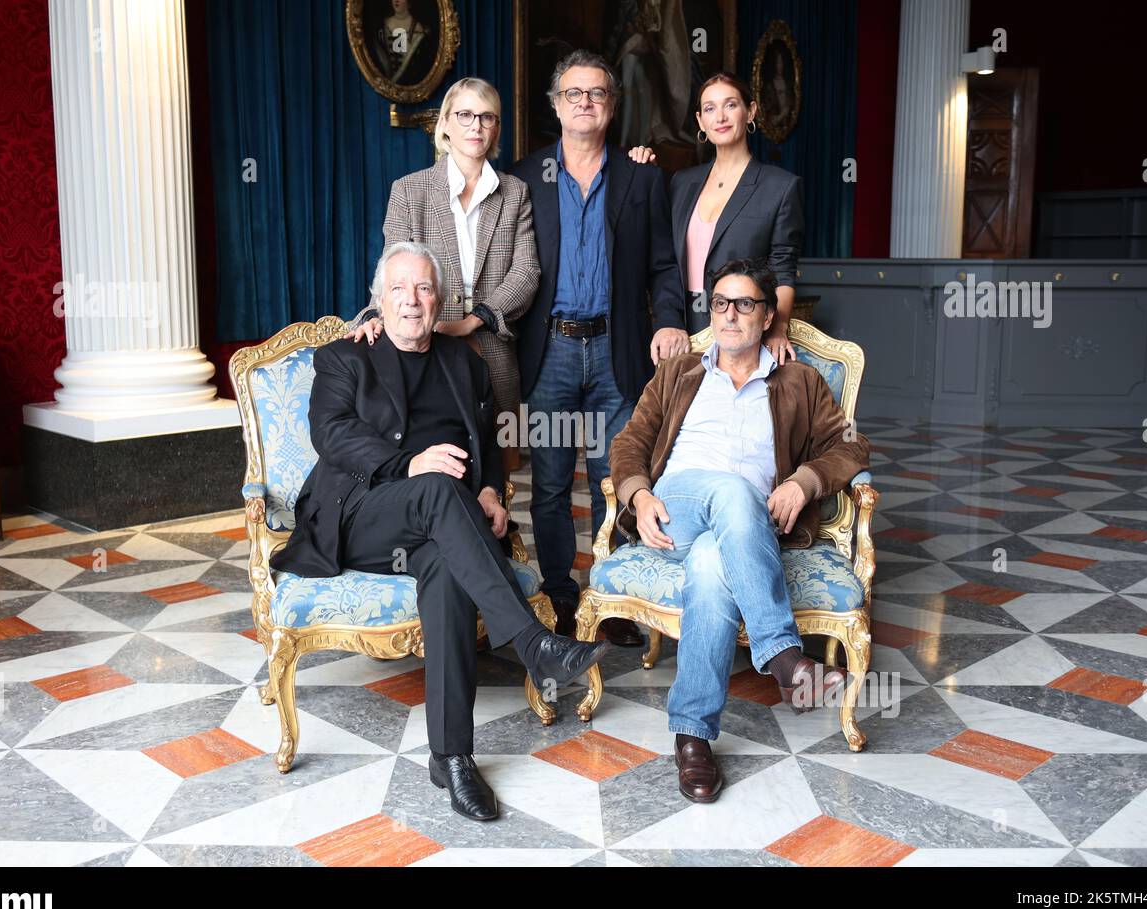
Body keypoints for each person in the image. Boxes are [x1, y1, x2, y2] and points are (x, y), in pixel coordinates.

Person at [272, 241, 610, 822]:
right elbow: (332, 435)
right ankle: (532, 644)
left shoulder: (464, 362)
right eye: (399, 289)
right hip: (359, 515)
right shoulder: (344, 357)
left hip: (436, 522)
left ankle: (452, 757)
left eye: (424, 289)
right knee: (432, 489)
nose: (412, 300)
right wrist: (411, 464)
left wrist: (483, 489)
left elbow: (481, 445)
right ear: (377, 300)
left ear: (441, 300)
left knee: (448, 569)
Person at [609, 257, 869, 803]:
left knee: (709, 564)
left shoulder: (799, 380)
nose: (729, 315)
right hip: (675, 507)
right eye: (720, 303)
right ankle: (783, 657)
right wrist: (637, 493)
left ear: (767, 313)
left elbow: (850, 445)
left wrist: (803, 482)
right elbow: (629, 441)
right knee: (727, 489)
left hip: (747, 525)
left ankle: (692, 738)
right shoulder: (677, 373)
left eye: (744, 304)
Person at [509, 49, 689, 647]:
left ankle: (614, 596)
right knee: (554, 483)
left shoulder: (642, 177)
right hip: (551, 352)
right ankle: (562, 595)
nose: (585, 102)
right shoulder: (525, 177)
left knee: (620, 476)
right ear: (556, 105)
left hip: (618, 352)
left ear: (613, 106)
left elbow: (665, 265)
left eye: (597, 94)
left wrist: (669, 320)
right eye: (573, 93)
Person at [351, 77, 539, 478]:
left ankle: (493, 542)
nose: (476, 126)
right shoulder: (410, 191)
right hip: (424, 351)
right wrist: (373, 314)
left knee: (498, 473)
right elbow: (392, 267)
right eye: (465, 115)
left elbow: (526, 271)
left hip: (492, 349)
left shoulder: (515, 192)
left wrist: (473, 321)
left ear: (497, 128)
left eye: (487, 117)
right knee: (434, 461)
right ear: (446, 126)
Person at [630, 72, 804, 360]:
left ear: (751, 112)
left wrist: (778, 327)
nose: (720, 116)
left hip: (742, 326)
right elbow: (665, 259)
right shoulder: (681, 182)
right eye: (710, 108)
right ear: (700, 121)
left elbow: (783, 268)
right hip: (680, 329)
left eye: (731, 105)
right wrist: (640, 167)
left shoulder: (781, 186)